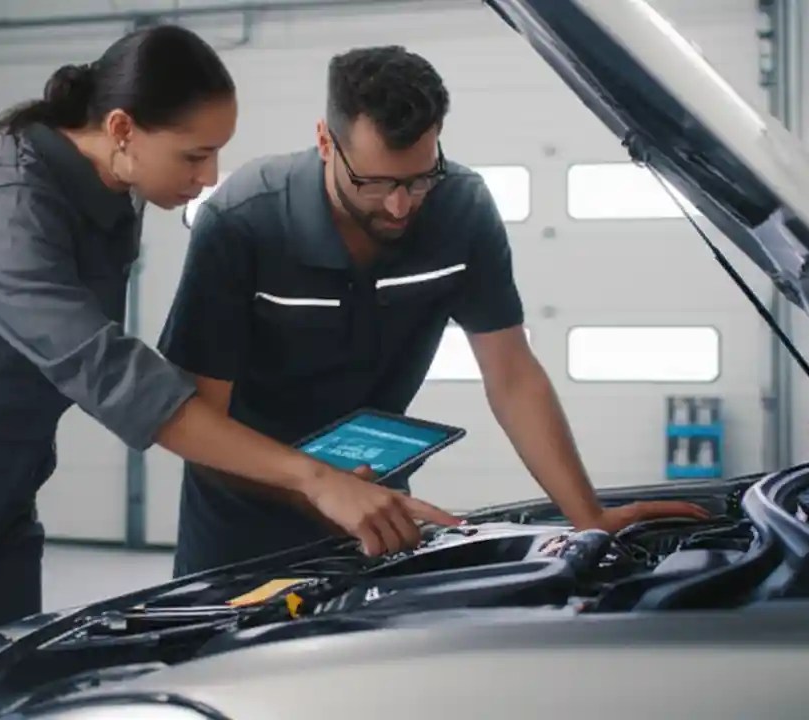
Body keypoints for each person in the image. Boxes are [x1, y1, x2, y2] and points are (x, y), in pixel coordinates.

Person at [0, 28, 458, 720]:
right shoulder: (0, 204)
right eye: (195, 155)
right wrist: (313, 477)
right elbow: (114, 376)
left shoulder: (114, 191)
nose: (210, 176)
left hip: (0, 497)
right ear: (121, 129)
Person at [158, 45, 710, 578]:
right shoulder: (243, 222)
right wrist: (322, 488)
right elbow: (201, 422)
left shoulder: (461, 209)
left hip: (379, 512)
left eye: (419, 178)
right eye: (373, 183)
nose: (399, 205)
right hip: (239, 528)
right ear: (325, 141)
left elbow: (512, 375)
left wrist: (588, 517)